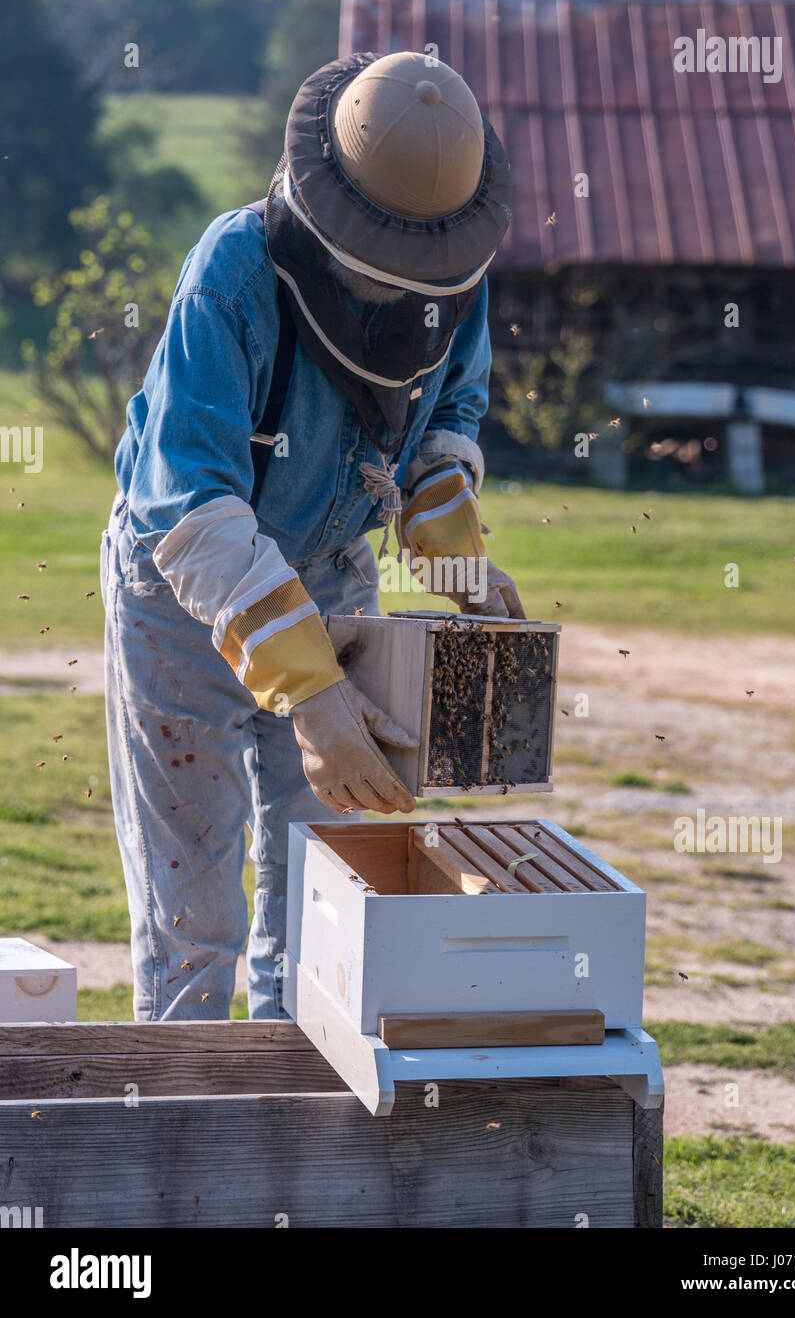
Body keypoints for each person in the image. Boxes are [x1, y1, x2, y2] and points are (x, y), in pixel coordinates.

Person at [100, 50, 523, 1021]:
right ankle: (187, 1144)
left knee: (323, 892)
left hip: (331, 573)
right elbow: (190, 500)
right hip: (186, 593)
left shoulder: (458, 281)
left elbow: (445, 415)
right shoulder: (231, 276)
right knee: (192, 907)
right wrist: (310, 689)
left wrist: (455, 550)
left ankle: (297, 1147)